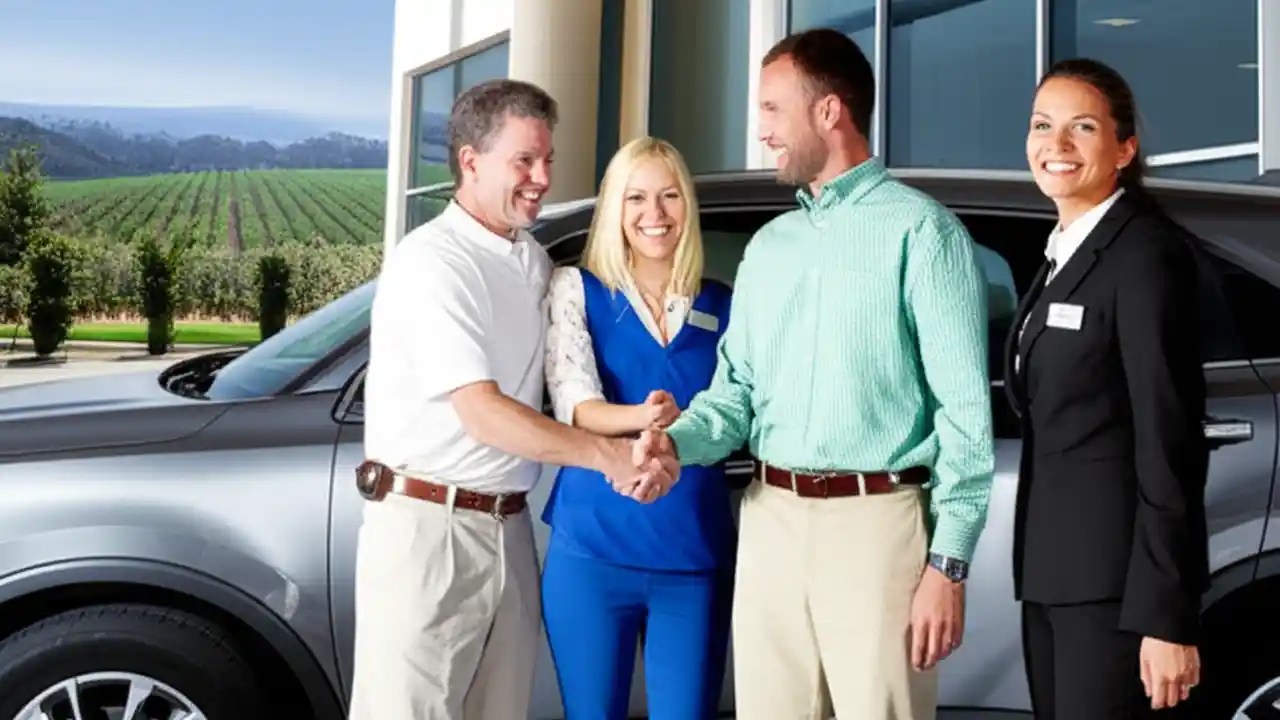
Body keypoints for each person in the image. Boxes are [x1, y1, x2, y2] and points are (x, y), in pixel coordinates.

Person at [636, 28, 995, 720]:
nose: (761, 130)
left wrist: (947, 565)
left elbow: (964, 416)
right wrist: (675, 443)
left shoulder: (924, 232)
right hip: (769, 520)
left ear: (829, 111)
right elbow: (734, 395)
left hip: (876, 527)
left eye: (773, 109)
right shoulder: (770, 248)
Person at [348, 79, 676, 720]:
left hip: (509, 529)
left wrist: (649, 430)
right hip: (430, 534)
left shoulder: (532, 262)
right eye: (524, 160)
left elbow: (574, 380)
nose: (542, 177)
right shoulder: (433, 263)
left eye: (547, 159)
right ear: (470, 161)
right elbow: (482, 410)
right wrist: (609, 457)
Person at [1004, 57, 1208, 718]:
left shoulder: (1144, 256)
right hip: (1054, 577)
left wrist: (1166, 616)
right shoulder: (1066, 253)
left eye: (1082, 127)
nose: (1056, 144)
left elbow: (1170, 441)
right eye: (1043, 125)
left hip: (1115, 590)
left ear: (1124, 149)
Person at [538, 135, 736, 719]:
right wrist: (650, 419)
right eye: (636, 198)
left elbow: (735, 409)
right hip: (592, 550)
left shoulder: (723, 304)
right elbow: (577, 404)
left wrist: (676, 427)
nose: (655, 213)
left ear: (686, 206)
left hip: (693, 552)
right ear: (614, 208)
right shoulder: (577, 290)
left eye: (670, 196)